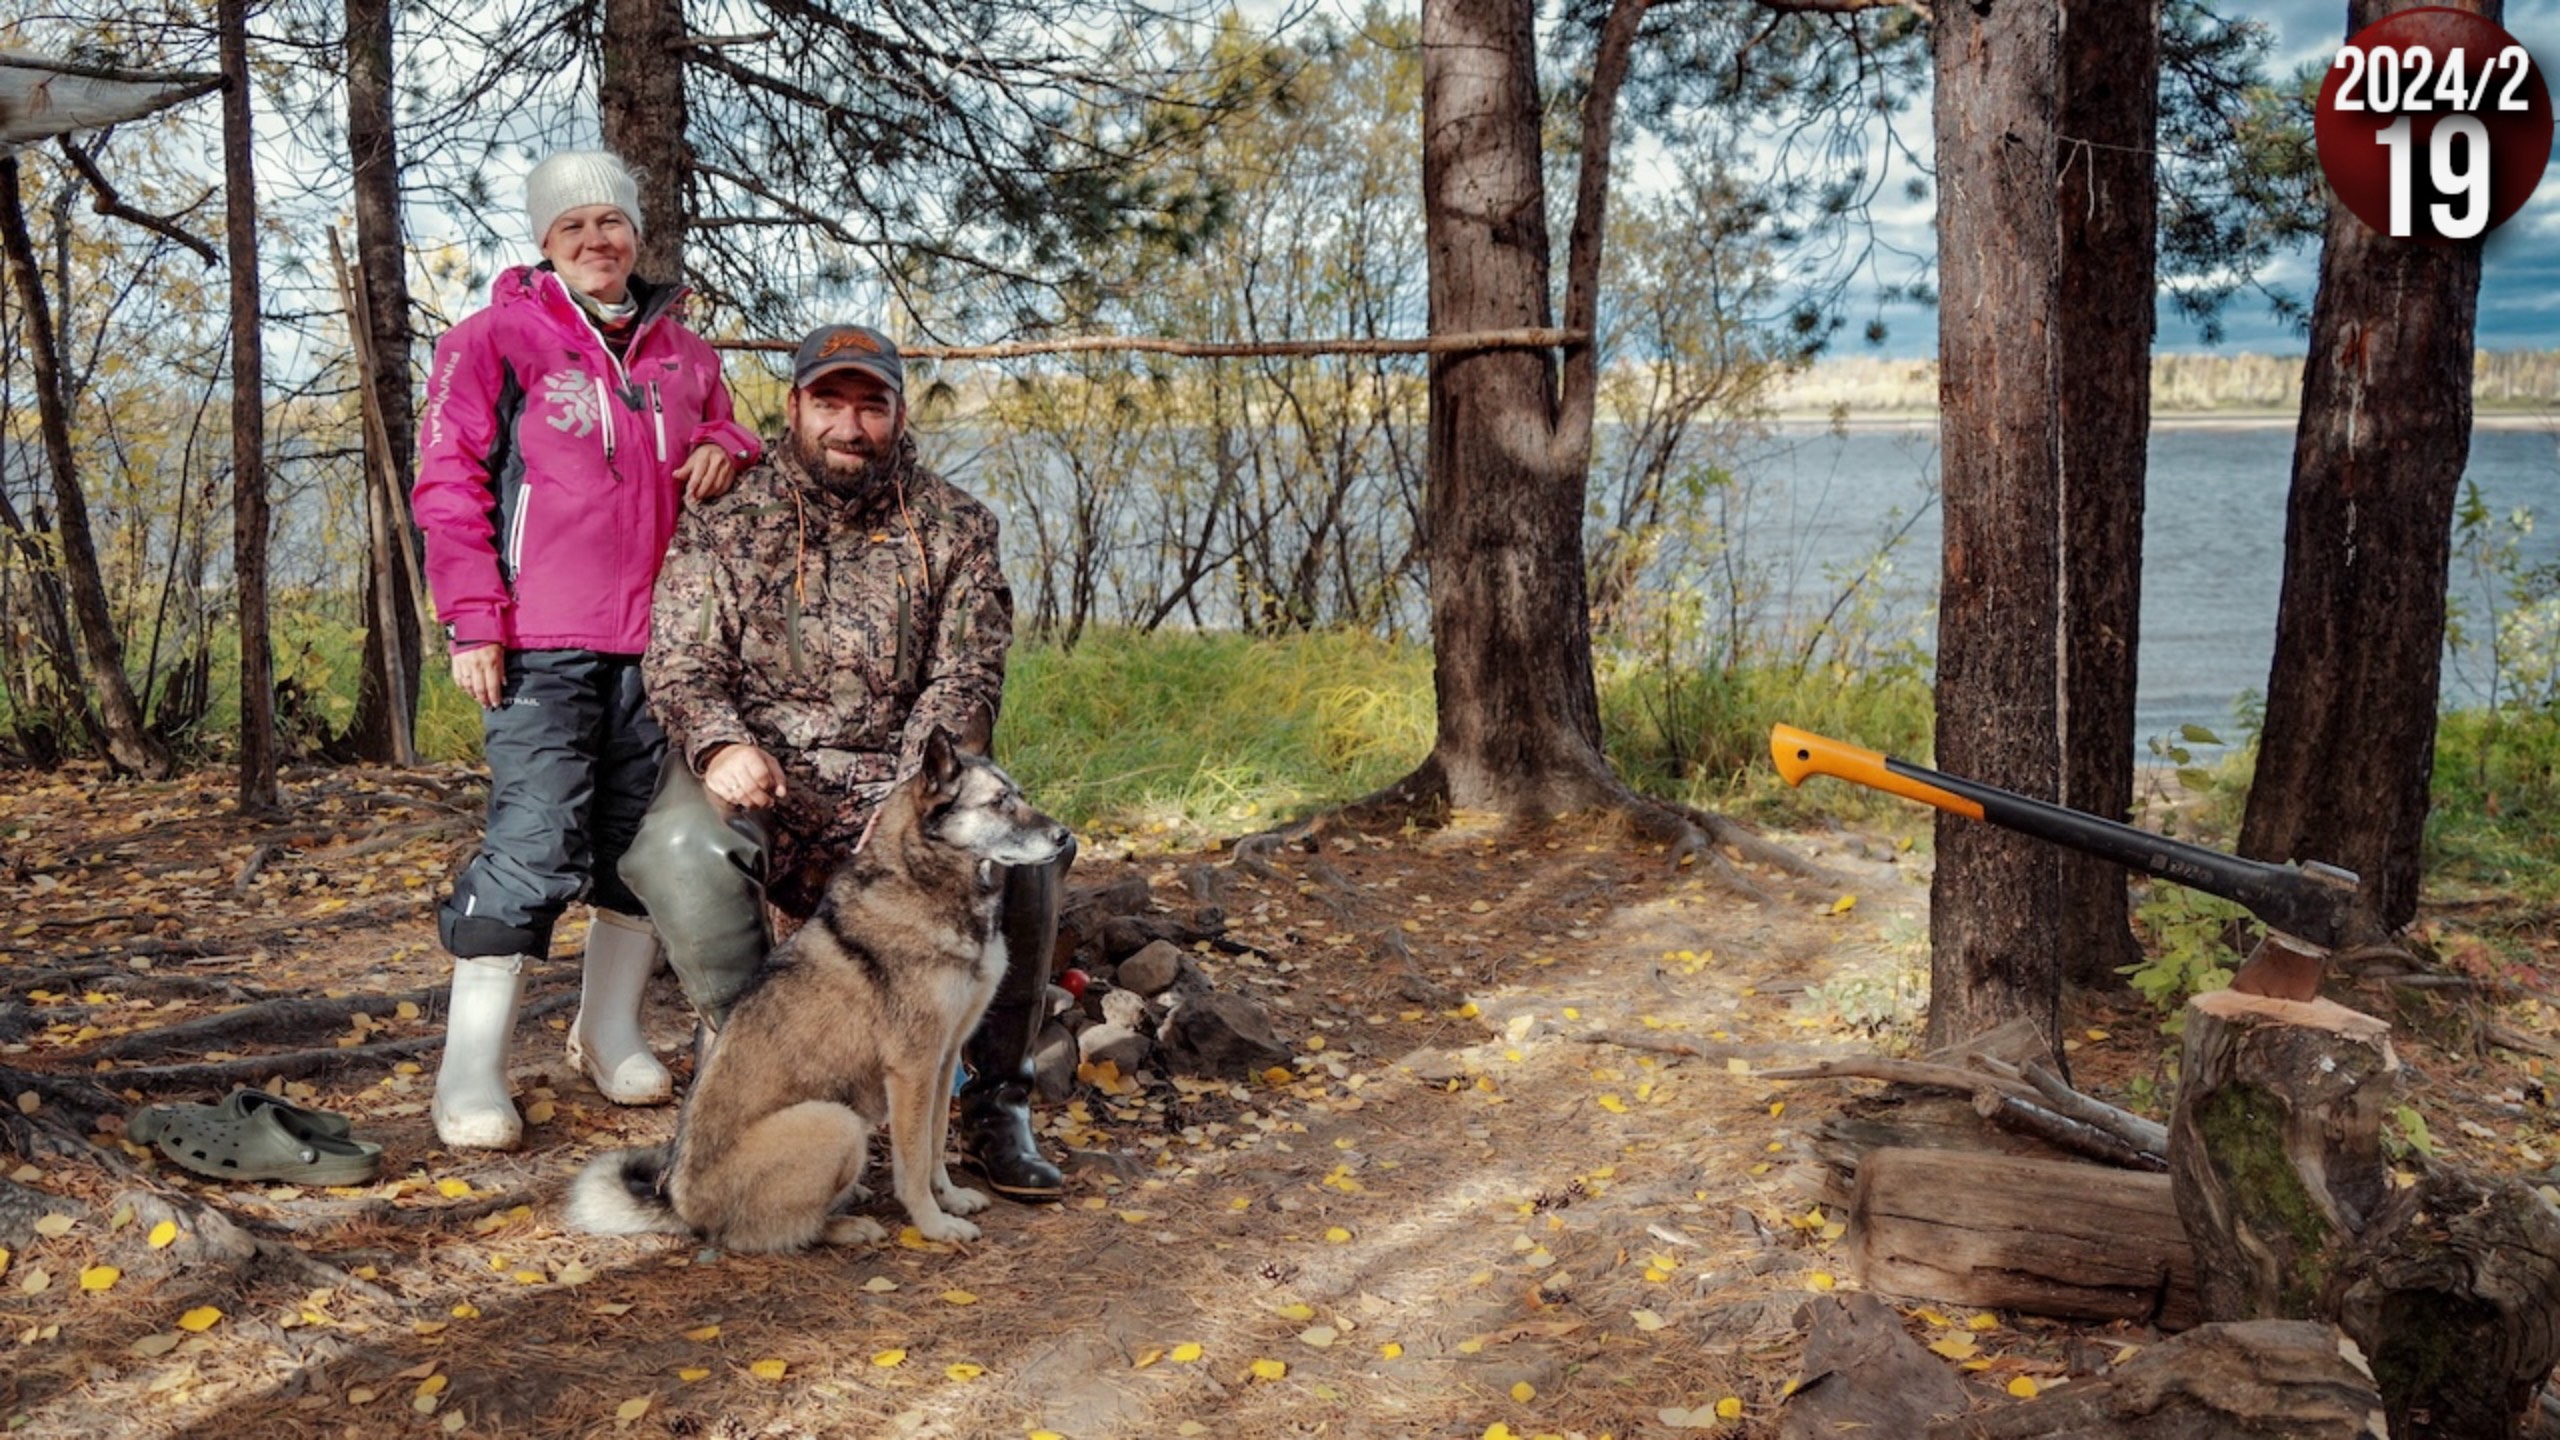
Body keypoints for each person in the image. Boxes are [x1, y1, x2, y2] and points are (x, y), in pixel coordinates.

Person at [617, 323, 1077, 1202]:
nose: (849, 425)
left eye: (872, 405)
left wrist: (912, 795)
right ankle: (751, 1065)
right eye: (829, 402)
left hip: (900, 788)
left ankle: (997, 1100)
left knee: (1020, 860)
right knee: (681, 847)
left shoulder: (957, 527)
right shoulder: (724, 518)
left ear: (899, 414)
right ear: (794, 406)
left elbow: (968, 676)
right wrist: (720, 746)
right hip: (760, 780)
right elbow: (678, 661)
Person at [411, 149, 762, 1150]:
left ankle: (606, 1035)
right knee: (533, 843)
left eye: (612, 224)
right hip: (537, 643)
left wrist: (727, 446)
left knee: (631, 849)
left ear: (637, 238)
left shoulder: (685, 355)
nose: (597, 241)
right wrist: (472, 616)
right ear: (543, 242)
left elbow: (733, 431)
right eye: (574, 227)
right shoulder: (493, 340)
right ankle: (469, 1073)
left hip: (659, 647)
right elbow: (448, 483)